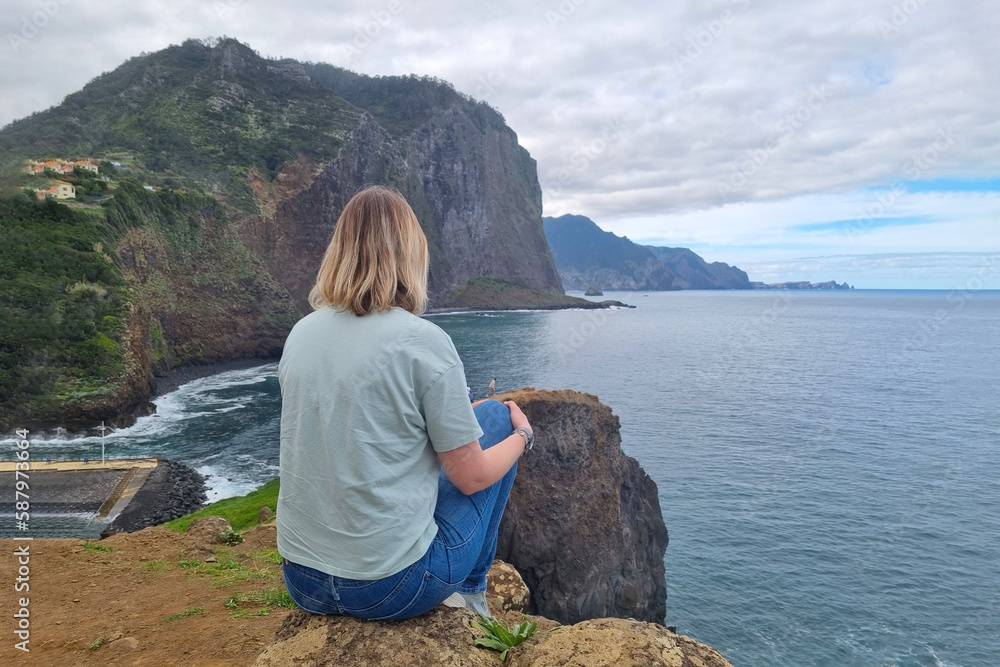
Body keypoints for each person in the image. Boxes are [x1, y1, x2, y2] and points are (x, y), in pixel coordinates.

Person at [276, 186, 534, 622]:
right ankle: (471, 594)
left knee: (477, 419)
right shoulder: (423, 341)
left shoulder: (301, 333)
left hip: (303, 580)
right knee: (498, 417)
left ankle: (467, 594)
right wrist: (524, 435)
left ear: (339, 251)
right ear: (412, 254)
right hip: (390, 587)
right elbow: (471, 478)